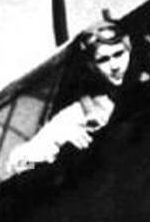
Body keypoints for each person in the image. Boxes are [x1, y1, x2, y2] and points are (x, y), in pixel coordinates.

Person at [8, 20, 131, 173]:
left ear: (129, 49)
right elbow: (16, 165)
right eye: (103, 60)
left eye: (119, 54)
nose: (114, 66)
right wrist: (60, 139)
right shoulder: (84, 111)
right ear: (92, 66)